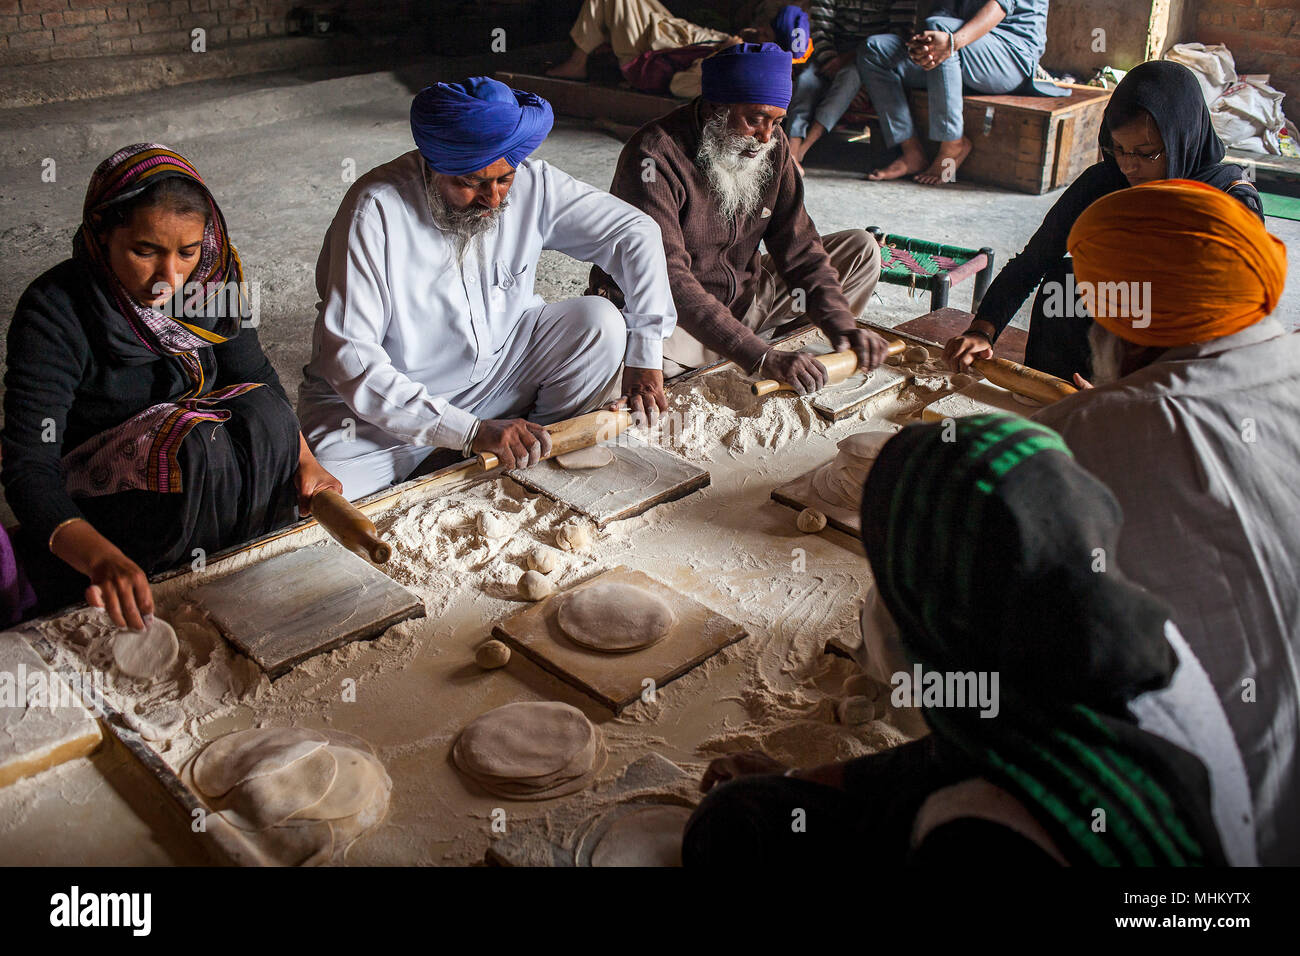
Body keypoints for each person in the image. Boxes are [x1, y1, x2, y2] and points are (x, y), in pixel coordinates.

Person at [684, 415, 1246, 866]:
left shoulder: (983, 834)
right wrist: (798, 782)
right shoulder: (1133, 648)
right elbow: (958, 753)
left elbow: (976, 787)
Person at [1033, 178, 1296, 866]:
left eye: (1096, 312)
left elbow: (907, 627)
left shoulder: (1080, 437)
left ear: (1126, 325)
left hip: (1211, 852)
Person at [1, 144, 340, 630]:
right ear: (102, 234)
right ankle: (161, 576)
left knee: (264, 414)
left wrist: (308, 463)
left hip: (206, 477)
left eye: (188, 251)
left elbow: (255, 377)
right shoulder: (56, 310)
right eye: (145, 251)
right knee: (200, 443)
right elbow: (28, 464)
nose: (170, 278)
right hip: (115, 503)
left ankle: (242, 566)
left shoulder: (212, 285)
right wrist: (101, 558)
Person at [297, 78, 676, 499]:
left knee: (600, 323)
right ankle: (463, 450)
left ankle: (532, 449)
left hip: (498, 378)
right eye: (472, 183)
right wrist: (469, 431)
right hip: (383, 414)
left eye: (504, 181)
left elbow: (635, 233)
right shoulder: (375, 211)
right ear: (433, 164)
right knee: (325, 490)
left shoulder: (532, 183)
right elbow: (352, 357)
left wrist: (645, 354)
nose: (493, 200)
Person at [592, 42, 888, 392]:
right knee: (615, 369)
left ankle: (751, 349)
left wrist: (842, 324)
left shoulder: (771, 145)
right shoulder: (653, 157)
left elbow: (799, 247)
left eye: (777, 121)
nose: (765, 137)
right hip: (673, 318)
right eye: (755, 119)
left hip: (743, 303)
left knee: (862, 249)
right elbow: (668, 279)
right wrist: (759, 356)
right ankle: (745, 353)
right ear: (716, 107)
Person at [944, 60, 1264, 381]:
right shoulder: (1107, 180)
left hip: (1182, 357)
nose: (1129, 166)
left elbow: (1229, 326)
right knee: (1065, 286)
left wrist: (1129, 397)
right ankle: (1060, 396)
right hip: (1112, 341)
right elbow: (1032, 262)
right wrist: (982, 331)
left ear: (1183, 140)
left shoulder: (1230, 203)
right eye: (1120, 149)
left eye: (1145, 152)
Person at [857, 0, 1065, 184]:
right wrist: (924, 44)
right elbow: (942, 14)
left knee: (941, 30)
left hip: (1010, 56)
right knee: (875, 50)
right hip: (959, 53)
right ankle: (911, 152)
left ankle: (953, 145)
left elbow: (999, 6)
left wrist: (951, 41)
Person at [547, 0, 813, 100]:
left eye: (765, 31)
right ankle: (580, 58)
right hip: (667, 32)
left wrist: (721, 54)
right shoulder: (749, 43)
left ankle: (577, 61)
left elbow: (680, 85)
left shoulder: (739, 65)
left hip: (649, 56)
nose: (759, 30)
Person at [787, 0, 917, 167]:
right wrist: (832, 60)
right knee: (806, 81)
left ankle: (804, 150)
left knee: (850, 78)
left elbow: (899, 35)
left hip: (871, 56)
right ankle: (793, 148)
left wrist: (850, 61)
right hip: (829, 52)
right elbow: (819, 30)